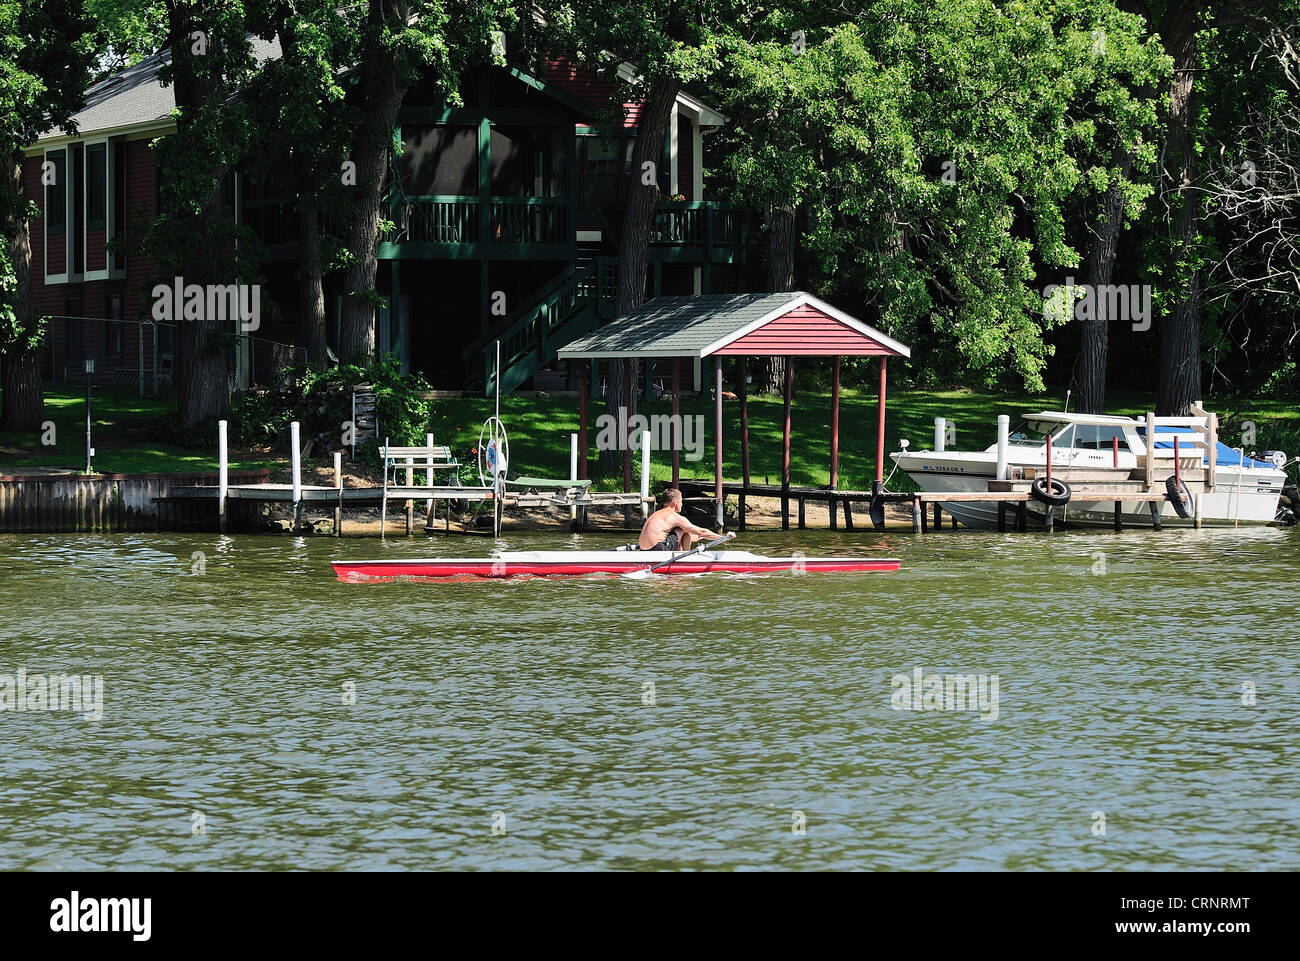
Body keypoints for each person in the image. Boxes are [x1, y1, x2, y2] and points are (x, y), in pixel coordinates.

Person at [638, 488, 720, 551]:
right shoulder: (674, 516)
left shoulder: (656, 514)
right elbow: (701, 532)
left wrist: (691, 536)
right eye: (681, 501)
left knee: (686, 532)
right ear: (675, 503)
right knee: (683, 529)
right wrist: (722, 537)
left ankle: (682, 555)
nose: (682, 504)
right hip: (657, 550)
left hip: (643, 550)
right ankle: (685, 559)